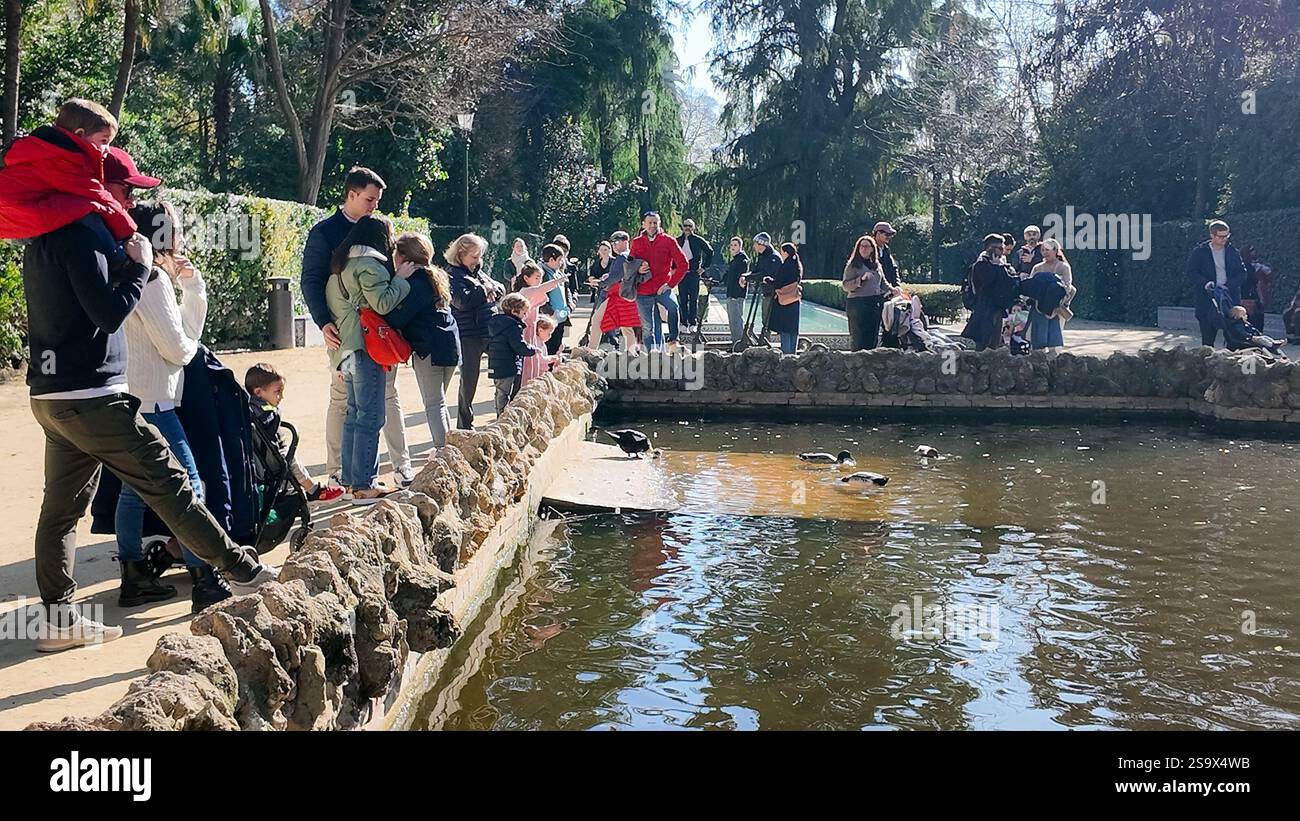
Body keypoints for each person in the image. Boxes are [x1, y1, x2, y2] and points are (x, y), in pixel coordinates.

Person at [22, 148, 276, 651]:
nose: (132, 200)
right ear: (96, 184)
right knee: (176, 485)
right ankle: (241, 573)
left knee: (63, 510)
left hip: (52, 395)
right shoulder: (91, 235)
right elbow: (109, 313)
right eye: (127, 190)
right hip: (96, 398)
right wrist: (139, 267)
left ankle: (59, 620)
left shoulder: (42, 238)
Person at [116, 199, 228, 611]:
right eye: (176, 229)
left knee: (133, 488)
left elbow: (178, 338)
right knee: (188, 486)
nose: (181, 237)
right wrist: (191, 300)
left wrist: (192, 289)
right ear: (163, 235)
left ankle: (132, 574)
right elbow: (179, 347)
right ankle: (206, 579)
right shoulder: (153, 281)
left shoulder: (130, 273)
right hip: (156, 401)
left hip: (129, 397)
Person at [300, 167, 412, 488]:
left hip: (375, 334)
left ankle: (397, 466)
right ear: (351, 194)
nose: (374, 205)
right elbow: (311, 280)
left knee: (383, 398)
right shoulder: (325, 232)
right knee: (349, 404)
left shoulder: (377, 229)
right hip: (344, 331)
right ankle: (342, 471)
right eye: (369, 199)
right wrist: (323, 322)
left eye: (376, 200)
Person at [325, 214, 411, 503]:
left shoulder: (339, 266)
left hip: (344, 350)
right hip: (365, 349)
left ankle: (350, 482)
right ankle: (364, 484)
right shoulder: (370, 265)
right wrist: (400, 280)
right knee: (371, 415)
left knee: (353, 413)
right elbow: (382, 303)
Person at [0, 98, 134, 253]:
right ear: (80, 134)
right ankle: (118, 257)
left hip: (10, 212)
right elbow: (100, 197)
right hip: (17, 213)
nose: (108, 150)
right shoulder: (66, 160)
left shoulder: (44, 147)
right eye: (104, 141)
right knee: (91, 206)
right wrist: (129, 234)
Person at [384, 232, 462, 449]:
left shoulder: (412, 283)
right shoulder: (434, 277)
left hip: (429, 348)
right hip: (450, 345)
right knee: (440, 402)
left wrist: (396, 281)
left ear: (403, 257)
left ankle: (443, 450)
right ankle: (449, 447)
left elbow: (396, 317)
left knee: (433, 404)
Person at [244, 363, 342, 501]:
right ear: (258, 392)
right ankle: (313, 490)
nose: (281, 397)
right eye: (277, 392)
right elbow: (275, 444)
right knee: (292, 462)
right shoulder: (266, 414)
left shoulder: (247, 408)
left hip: (259, 459)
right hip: (272, 459)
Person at [446, 232, 503, 430]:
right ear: (461, 254)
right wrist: (484, 290)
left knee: (507, 365)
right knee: (469, 381)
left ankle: (504, 413)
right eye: (474, 256)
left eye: (480, 256)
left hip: (488, 329)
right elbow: (461, 301)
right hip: (467, 334)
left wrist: (490, 288)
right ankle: (464, 425)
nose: (478, 261)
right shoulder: (451, 274)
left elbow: (499, 289)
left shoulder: (477, 271)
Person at [630, 210, 689, 351]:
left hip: (662, 286)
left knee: (673, 307)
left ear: (659, 224)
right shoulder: (637, 242)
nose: (652, 225)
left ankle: (674, 340)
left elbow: (684, 264)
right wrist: (637, 269)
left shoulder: (668, 240)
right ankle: (653, 355)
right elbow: (629, 263)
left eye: (655, 223)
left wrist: (670, 284)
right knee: (649, 327)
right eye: (649, 223)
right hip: (643, 290)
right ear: (643, 224)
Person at [1186, 219, 1248, 347]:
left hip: (1229, 298)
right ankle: (1207, 363)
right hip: (1207, 300)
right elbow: (1192, 272)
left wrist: (1228, 286)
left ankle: (1232, 361)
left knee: (1234, 338)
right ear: (1212, 235)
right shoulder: (1200, 252)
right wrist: (1205, 283)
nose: (1224, 239)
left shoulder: (1232, 251)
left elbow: (1242, 273)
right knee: (1208, 339)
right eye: (1221, 236)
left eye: (1227, 236)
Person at [961, 233, 1018, 351]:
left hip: (997, 307)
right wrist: (998, 268)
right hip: (984, 308)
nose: (1003, 252)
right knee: (983, 341)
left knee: (994, 342)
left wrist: (1000, 267)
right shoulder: (980, 265)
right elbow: (988, 285)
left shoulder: (1001, 265)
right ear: (991, 248)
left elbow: (1010, 283)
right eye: (1000, 248)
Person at [488, 292, 543, 414]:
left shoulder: (495, 323)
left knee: (499, 390)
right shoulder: (513, 326)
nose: (525, 316)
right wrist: (532, 350)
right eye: (523, 313)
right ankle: (502, 416)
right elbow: (519, 345)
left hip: (495, 363)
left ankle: (500, 412)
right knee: (505, 393)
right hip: (507, 364)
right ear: (514, 311)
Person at [511, 260, 565, 385]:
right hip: (525, 329)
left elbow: (541, 289)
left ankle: (531, 383)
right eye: (536, 278)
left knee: (533, 359)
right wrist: (557, 281)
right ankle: (525, 385)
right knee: (528, 360)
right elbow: (542, 288)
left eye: (540, 278)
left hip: (532, 329)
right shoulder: (525, 291)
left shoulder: (531, 290)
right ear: (526, 278)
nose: (539, 281)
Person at [842, 234, 891, 351]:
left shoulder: (877, 265)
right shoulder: (852, 266)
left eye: (866, 246)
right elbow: (845, 285)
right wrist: (860, 279)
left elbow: (883, 283)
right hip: (858, 305)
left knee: (872, 338)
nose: (863, 249)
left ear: (872, 249)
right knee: (858, 339)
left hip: (874, 304)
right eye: (861, 247)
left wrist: (893, 290)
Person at [1027, 238, 1074, 352]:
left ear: (1055, 250)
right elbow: (1030, 286)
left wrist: (1056, 302)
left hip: (1057, 308)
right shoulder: (1037, 267)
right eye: (1043, 250)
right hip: (1039, 307)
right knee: (1039, 341)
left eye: (1047, 249)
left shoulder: (1063, 267)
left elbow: (1067, 287)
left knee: (1054, 340)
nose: (1045, 252)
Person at [741, 232, 782, 344]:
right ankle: (763, 340)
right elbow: (756, 271)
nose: (754, 246)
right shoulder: (763, 256)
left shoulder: (773, 258)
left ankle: (765, 342)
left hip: (773, 294)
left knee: (768, 320)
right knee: (765, 318)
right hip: (766, 292)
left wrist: (749, 278)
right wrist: (745, 276)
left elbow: (764, 274)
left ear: (761, 244)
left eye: (755, 244)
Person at [676, 218, 714, 333]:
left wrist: (703, 267)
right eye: (685, 225)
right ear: (682, 227)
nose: (687, 228)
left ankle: (693, 323)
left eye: (690, 226)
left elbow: (710, 252)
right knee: (682, 299)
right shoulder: (678, 240)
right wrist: (673, 269)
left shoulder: (698, 240)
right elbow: (671, 254)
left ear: (693, 228)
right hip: (682, 274)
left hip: (694, 273)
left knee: (693, 299)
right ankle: (683, 323)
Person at [538, 244, 573, 355]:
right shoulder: (542, 274)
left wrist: (570, 305)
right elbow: (540, 295)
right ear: (551, 260)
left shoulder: (558, 272)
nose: (561, 263)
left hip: (561, 317)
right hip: (550, 318)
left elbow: (566, 290)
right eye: (559, 260)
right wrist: (550, 312)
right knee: (549, 348)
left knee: (557, 347)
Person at [770, 242, 804, 354]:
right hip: (794, 300)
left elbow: (779, 282)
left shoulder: (785, 266)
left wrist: (769, 281)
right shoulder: (797, 265)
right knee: (793, 330)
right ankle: (793, 354)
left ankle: (786, 354)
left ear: (785, 252)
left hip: (784, 301)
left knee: (785, 329)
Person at [722, 236, 748, 344]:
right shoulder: (734, 260)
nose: (732, 247)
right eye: (731, 245)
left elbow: (741, 277)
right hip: (731, 294)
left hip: (736, 296)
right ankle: (735, 344)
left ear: (740, 247)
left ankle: (739, 345)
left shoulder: (742, 260)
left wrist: (735, 295)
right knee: (733, 321)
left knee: (736, 321)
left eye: (735, 245)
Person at [872, 221, 900, 287]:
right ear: (878, 233)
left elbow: (893, 268)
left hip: (887, 288)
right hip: (873, 290)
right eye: (887, 234)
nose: (889, 237)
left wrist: (897, 285)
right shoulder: (869, 248)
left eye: (891, 235)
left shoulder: (886, 250)